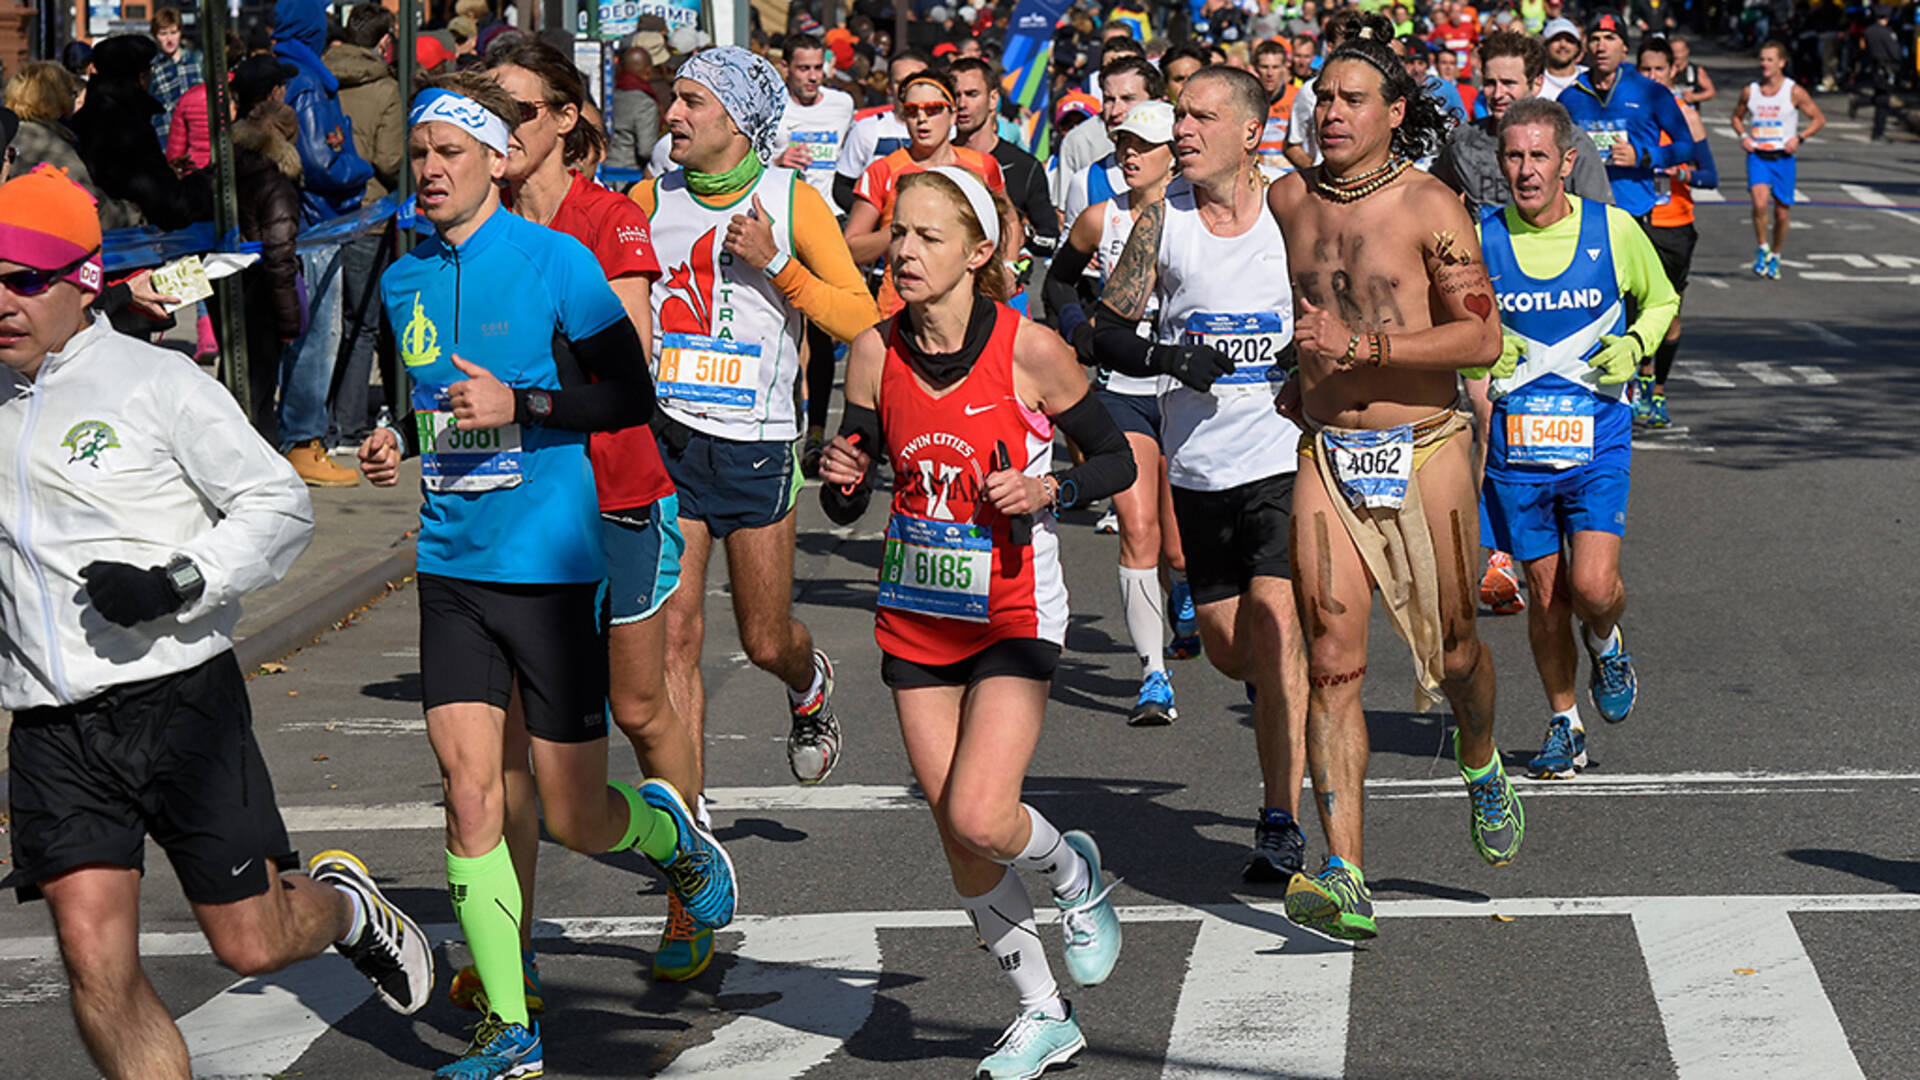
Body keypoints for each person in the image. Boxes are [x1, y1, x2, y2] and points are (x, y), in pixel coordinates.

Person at [0, 163, 432, 1080]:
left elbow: (280, 506)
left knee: (252, 943)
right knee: (93, 961)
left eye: (22, 280)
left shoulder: (156, 383)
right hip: (51, 725)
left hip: (177, 705)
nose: (1, 301)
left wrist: (176, 581)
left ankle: (344, 909)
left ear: (80, 282)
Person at [358, 75, 735, 1080]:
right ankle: (513, 1028)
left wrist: (524, 405)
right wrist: (396, 436)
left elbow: (627, 395)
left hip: (553, 564)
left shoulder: (558, 261)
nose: (430, 170)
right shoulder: (402, 280)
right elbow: (432, 401)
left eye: (450, 152)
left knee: (572, 812)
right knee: (470, 789)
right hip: (451, 562)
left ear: (494, 159)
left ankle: (673, 841)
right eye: (421, 154)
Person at [817, 164, 1132, 1080]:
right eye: (899, 236)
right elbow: (851, 484)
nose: (904, 252)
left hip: (1011, 606)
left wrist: (1051, 486)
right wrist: (842, 481)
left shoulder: (1028, 349)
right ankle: (1044, 1011)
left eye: (926, 237)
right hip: (916, 610)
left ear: (979, 252)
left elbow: (1113, 459)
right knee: (958, 834)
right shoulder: (874, 353)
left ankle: (1073, 874)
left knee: (983, 812)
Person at [1266, 16, 1510, 940]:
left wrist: (1360, 346)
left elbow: (1480, 336)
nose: (1330, 111)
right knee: (1331, 663)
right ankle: (1346, 872)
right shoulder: (1289, 200)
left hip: (1428, 448)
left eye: (1351, 99)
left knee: (1454, 652)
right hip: (1327, 454)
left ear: (1393, 111)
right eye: (1323, 96)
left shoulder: (1430, 206)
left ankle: (1481, 760)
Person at [637, 48, 878, 800]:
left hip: (759, 442)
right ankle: (692, 824)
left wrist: (778, 265)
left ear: (738, 121)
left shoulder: (792, 199)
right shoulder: (649, 199)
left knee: (765, 639)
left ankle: (808, 685)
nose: (671, 114)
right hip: (669, 436)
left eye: (690, 101)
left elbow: (860, 317)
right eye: (674, 100)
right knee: (675, 638)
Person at [1092, 66, 1313, 884]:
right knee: (1229, 650)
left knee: (1277, 622)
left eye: (1200, 118)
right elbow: (1105, 331)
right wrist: (1166, 356)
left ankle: (1280, 819)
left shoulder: (1293, 211)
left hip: (1286, 459)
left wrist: (1307, 349)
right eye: (1179, 117)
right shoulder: (1164, 219)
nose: (1181, 130)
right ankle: (1285, 705)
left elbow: (1346, 293)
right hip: (1199, 466)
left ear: (1251, 132)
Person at [1478, 97, 1677, 778]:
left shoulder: (1613, 229)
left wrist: (1636, 344)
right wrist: (1482, 350)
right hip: (1518, 447)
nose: (1526, 171)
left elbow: (1664, 301)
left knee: (1592, 587)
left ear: (1567, 161)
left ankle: (1607, 638)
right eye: (1513, 156)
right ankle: (1565, 721)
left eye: (1539, 156)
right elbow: (1450, 321)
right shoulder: (1482, 238)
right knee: (1545, 594)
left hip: (1597, 437)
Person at [1045, 100, 1193, 725]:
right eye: (1124, 144)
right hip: (1123, 392)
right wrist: (1079, 329)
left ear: (1173, 156)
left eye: (1143, 146)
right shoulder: (1099, 218)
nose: (1129, 155)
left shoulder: (1196, 219)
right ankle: (1153, 676)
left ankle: (1182, 591)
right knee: (1138, 530)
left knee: (1181, 550)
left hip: (1186, 395)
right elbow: (1058, 283)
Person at [274, 0, 375, 486]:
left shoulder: (293, 70)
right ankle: (305, 441)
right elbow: (321, 159)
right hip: (318, 224)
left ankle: (299, 437)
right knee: (317, 339)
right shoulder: (308, 80)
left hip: (306, 221)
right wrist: (362, 170)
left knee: (307, 336)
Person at [846, 68, 1008, 317]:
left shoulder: (983, 166)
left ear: (953, 114)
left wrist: (1009, 266)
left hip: (974, 307)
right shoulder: (883, 170)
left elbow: (1009, 220)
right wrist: (902, 231)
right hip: (901, 310)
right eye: (911, 111)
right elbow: (852, 248)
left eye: (933, 109)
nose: (922, 119)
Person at [769, 33, 856, 475]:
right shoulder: (773, 108)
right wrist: (778, 162)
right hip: (784, 222)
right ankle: (786, 421)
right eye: (802, 68)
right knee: (785, 327)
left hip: (829, 223)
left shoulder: (842, 105)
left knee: (822, 332)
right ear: (786, 67)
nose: (811, 77)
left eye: (817, 68)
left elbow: (854, 160)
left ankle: (817, 429)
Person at [327, 3, 405, 450]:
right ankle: (348, 423)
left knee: (329, 325)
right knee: (364, 326)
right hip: (369, 215)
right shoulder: (385, 87)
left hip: (322, 218)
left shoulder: (322, 78)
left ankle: (324, 420)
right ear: (383, 42)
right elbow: (391, 159)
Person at [1632, 37, 1717, 430]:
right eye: (1645, 70)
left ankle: (1659, 389)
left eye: (1659, 70)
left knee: (1669, 315)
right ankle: (1639, 380)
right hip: (1634, 223)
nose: (1652, 77)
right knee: (1631, 311)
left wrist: (1679, 172)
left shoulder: (1686, 115)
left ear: (1673, 71)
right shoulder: (1630, 110)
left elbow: (1710, 175)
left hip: (1675, 226)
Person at [1558, 13, 1695, 226]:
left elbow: (1686, 147)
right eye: (1595, 39)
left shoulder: (1651, 92)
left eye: (1610, 38)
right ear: (1586, 47)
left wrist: (1642, 156)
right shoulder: (1570, 97)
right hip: (1584, 211)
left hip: (1634, 211)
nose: (1601, 46)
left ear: (1624, 48)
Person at [4, 62, 143, 229]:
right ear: (55, 98)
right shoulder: (47, 145)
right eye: (70, 93)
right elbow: (88, 204)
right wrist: (132, 214)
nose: (73, 98)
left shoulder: (12, 133)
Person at [1731, 40, 1825, 280]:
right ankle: (1762, 247)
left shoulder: (1793, 91)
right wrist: (1743, 136)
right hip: (1758, 157)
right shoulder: (1750, 91)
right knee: (1760, 204)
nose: (1764, 64)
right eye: (1762, 59)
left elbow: (1818, 119)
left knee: (1782, 213)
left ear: (1781, 63)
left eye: (1770, 60)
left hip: (1783, 158)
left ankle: (1776, 253)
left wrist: (1799, 138)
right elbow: (1737, 117)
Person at [1059, 58, 1160, 227]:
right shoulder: (1085, 182)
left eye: (1128, 99)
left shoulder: (1185, 175)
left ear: (1157, 103)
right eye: (1109, 100)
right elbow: (1067, 248)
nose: (1114, 111)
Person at [833, 49, 928, 213]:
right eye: (900, 82)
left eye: (917, 82)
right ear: (889, 87)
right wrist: (871, 218)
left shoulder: (949, 131)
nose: (908, 89)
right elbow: (841, 188)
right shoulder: (867, 129)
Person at [148, 6, 203, 142]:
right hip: (166, 139)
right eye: (163, 33)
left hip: (197, 138)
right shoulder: (153, 69)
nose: (169, 39)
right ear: (155, 36)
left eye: (173, 32)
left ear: (180, 32)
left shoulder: (198, 60)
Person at [607, 46, 663, 174]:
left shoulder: (612, 97)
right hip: (630, 174)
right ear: (648, 72)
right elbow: (646, 149)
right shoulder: (645, 104)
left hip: (605, 169)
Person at [1857, 6, 1901, 143]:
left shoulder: (1869, 31)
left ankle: (1859, 103)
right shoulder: (1887, 33)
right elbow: (1895, 52)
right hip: (1887, 67)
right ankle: (1878, 131)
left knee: (1880, 96)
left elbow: (1865, 49)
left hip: (1875, 67)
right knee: (1883, 101)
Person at [1538, 17, 1583, 100]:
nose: (1563, 45)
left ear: (1577, 48)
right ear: (1545, 45)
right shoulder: (1536, 81)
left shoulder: (1590, 76)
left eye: (1569, 40)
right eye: (1556, 39)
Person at [1669, 36, 1716, 106]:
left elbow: (1711, 92)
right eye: (1673, 52)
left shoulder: (1696, 70)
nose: (1676, 55)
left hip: (1689, 113)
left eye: (1680, 51)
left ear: (1687, 51)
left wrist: (1694, 97)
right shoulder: (1663, 70)